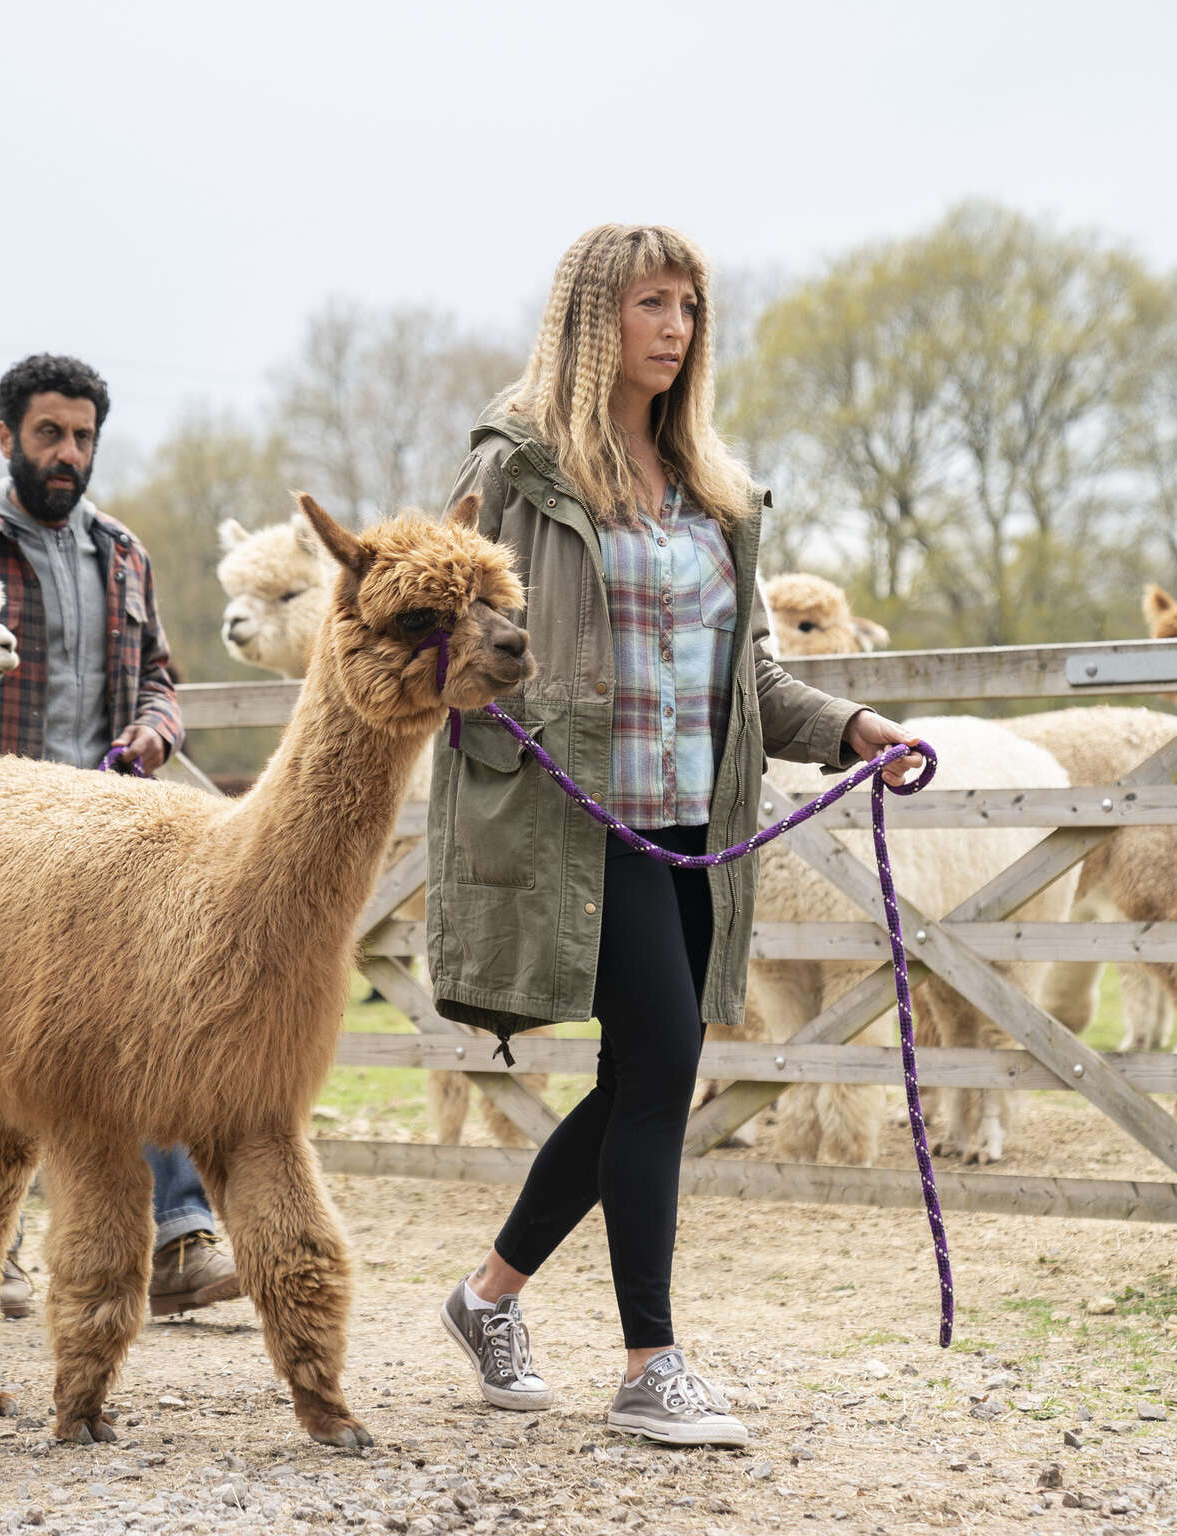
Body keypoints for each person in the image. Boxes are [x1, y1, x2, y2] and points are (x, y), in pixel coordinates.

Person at [426, 225, 922, 1448]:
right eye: (650, 303)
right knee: (653, 1073)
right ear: (593, 317)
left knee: (642, 1079)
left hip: (695, 829)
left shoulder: (713, 489)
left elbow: (746, 683)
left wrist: (850, 724)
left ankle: (487, 1296)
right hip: (572, 828)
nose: (674, 328)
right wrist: (507, 719)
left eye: (688, 307)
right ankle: (650, 1363)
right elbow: (441, 649)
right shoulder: (512, 476)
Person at [0, 353, 240, 1320]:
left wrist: (156, 727)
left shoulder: (125, 553)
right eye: (50, 433)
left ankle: (179, 1241)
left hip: (106, 845)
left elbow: (159, 677)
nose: (68, 453)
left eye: (84, 437)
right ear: (8, 435)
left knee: (148, 1026)